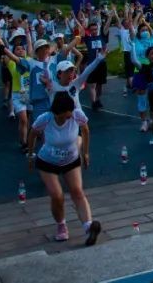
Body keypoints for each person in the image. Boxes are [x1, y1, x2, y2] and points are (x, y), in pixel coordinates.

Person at [26, 93, 101, 245]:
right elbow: (33, 133)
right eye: (63, 117)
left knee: (77, 191)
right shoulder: (45, 119)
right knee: (57, 195)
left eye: (68, 116)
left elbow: (85, 130)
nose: (67, 119)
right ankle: (61, 226)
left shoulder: (76, 115)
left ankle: (89, 227)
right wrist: (30, 155)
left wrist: (85, 153)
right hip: (47, 161)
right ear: (56, 113)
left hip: (70, 160)